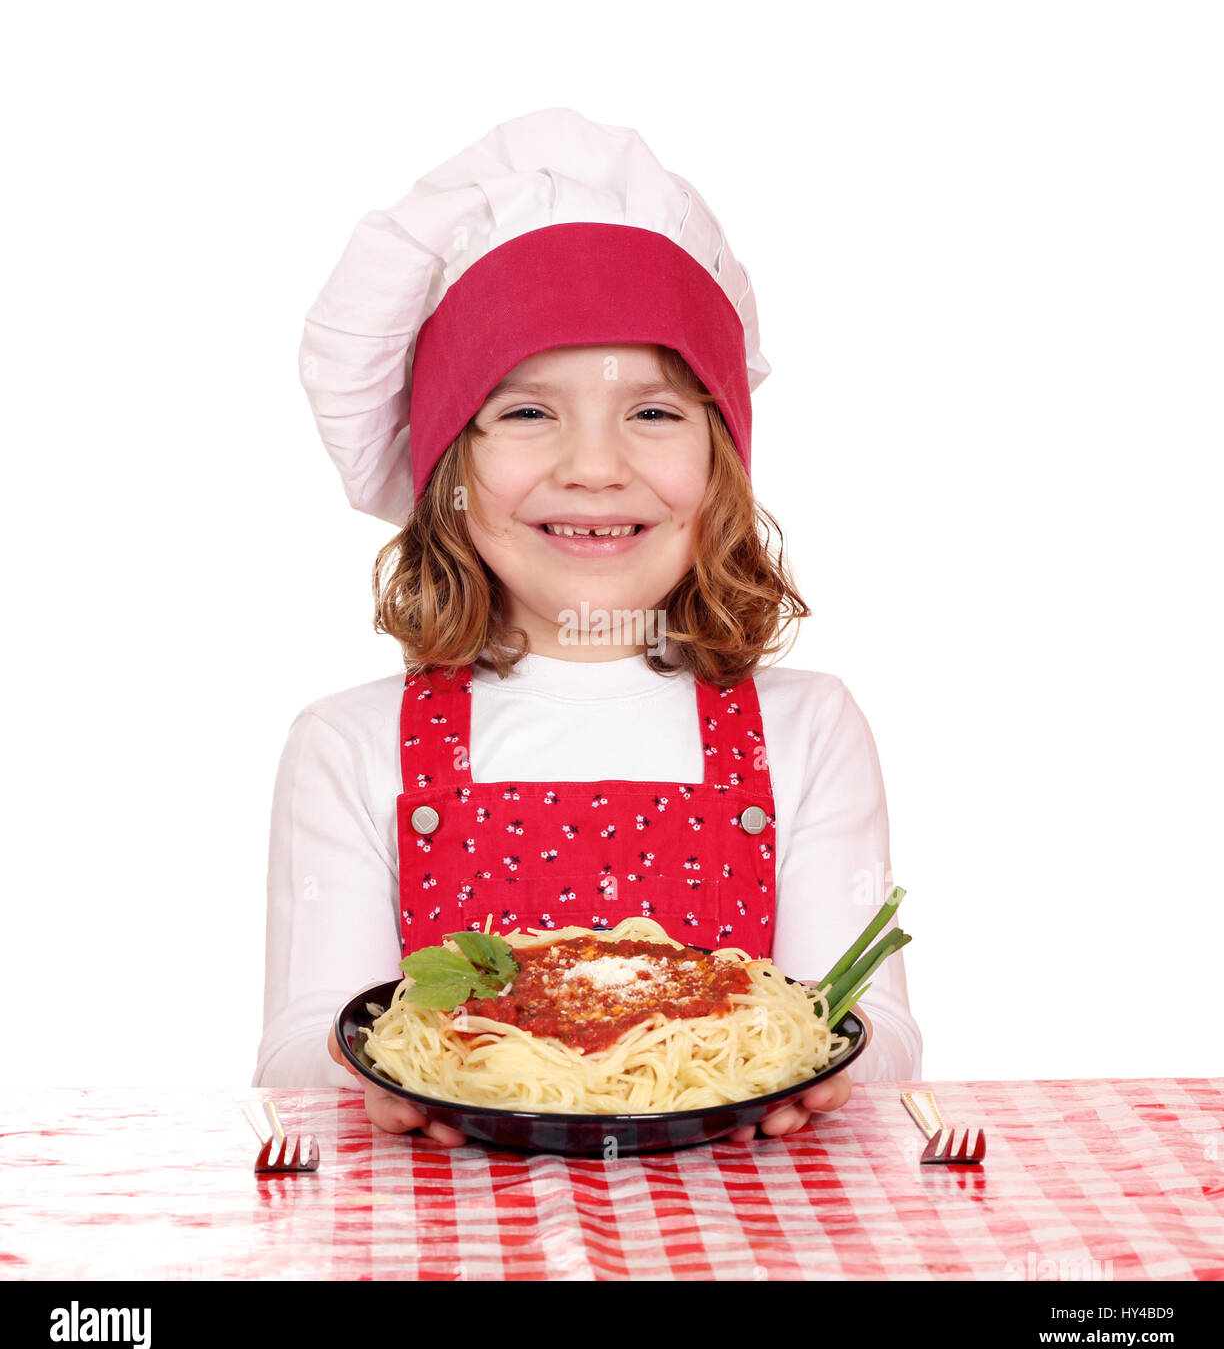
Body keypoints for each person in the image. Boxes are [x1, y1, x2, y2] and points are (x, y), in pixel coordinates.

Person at [255, 108, 922, 1145]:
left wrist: (832, 1064)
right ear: (448, 476)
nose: (595, 466)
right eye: (525, 413)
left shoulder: (809, 727)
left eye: (654, 413)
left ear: (719, 466)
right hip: (456, 1236)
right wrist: (373, 1083)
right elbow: (305, 1046)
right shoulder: (348, 745)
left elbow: (868, 1022)